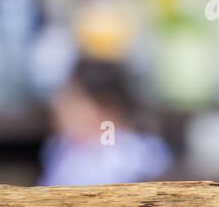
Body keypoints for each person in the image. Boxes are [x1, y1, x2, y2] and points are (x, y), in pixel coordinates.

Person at [39, 59, 172, 186]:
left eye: (75, 99)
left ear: (107, 105)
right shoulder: (60, 149)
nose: (62, 108)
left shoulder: (142, 156)